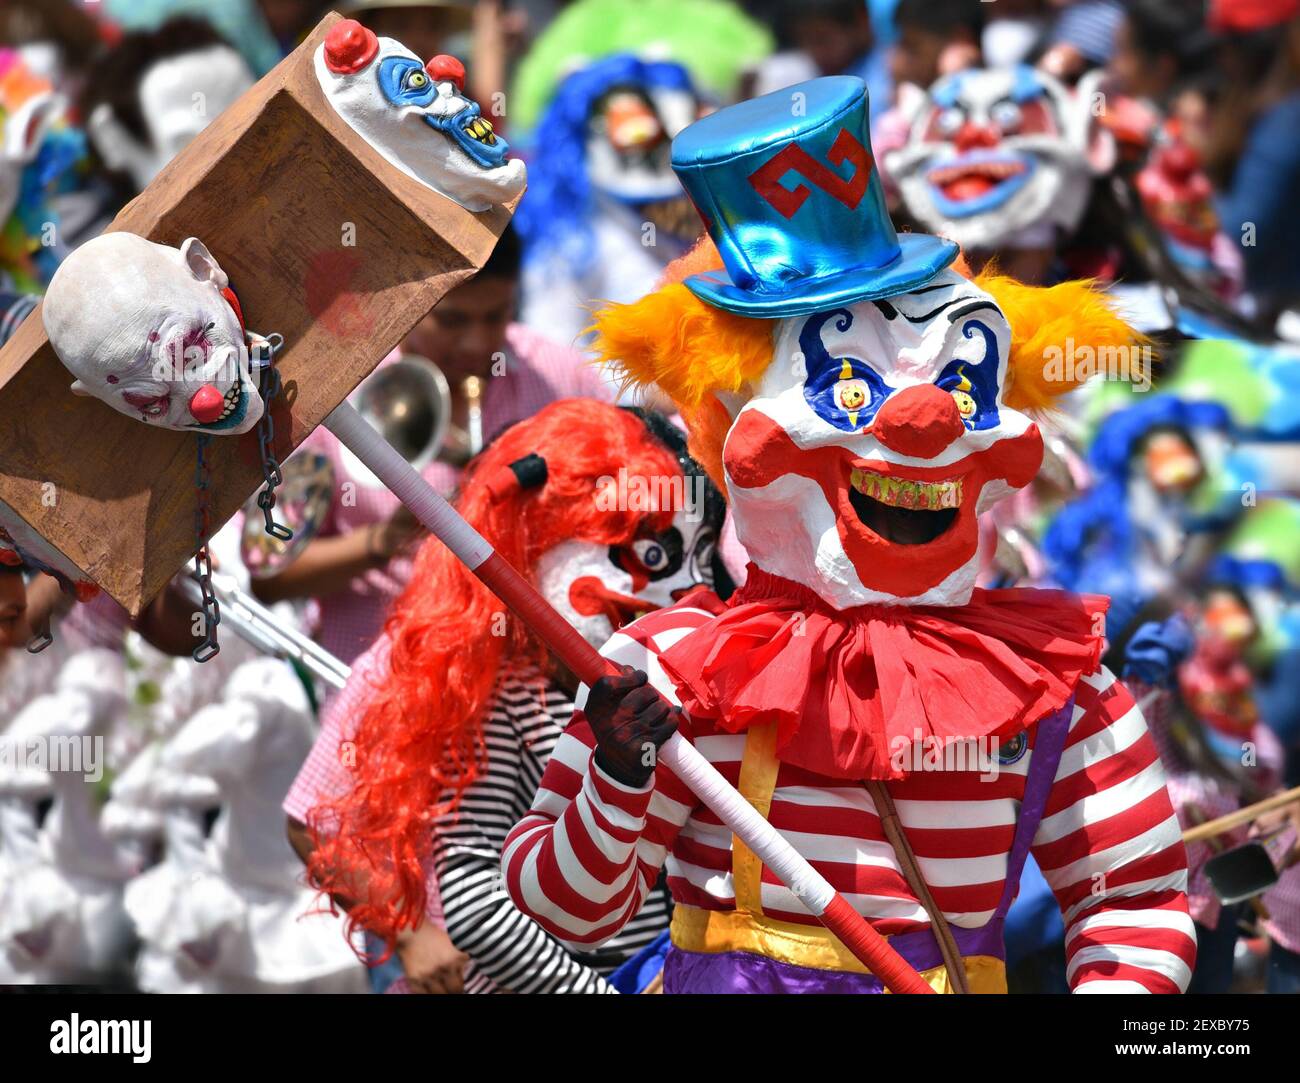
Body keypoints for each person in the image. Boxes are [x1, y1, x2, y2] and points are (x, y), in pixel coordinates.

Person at [503, 77, 1195, 993]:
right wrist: (619, 773)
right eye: (851, 389)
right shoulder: (673, 669)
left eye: (961, 385)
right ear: (740, 415)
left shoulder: (1059, 683)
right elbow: (567, 909)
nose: (923, 422)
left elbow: (1135, 897)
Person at [289, 401, 728, 993]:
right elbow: (473, 894)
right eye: (645, 554)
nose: (685, 592)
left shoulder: (659, 685)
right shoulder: (503, 697)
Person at [251, 225, 612, 669]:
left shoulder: (558, 372)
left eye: (496, 316)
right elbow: (270, 573)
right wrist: (383, 541)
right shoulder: (337, 396)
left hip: (533, 674)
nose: (477, 343)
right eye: (453, 320)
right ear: (410, 303)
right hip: (388, 678)